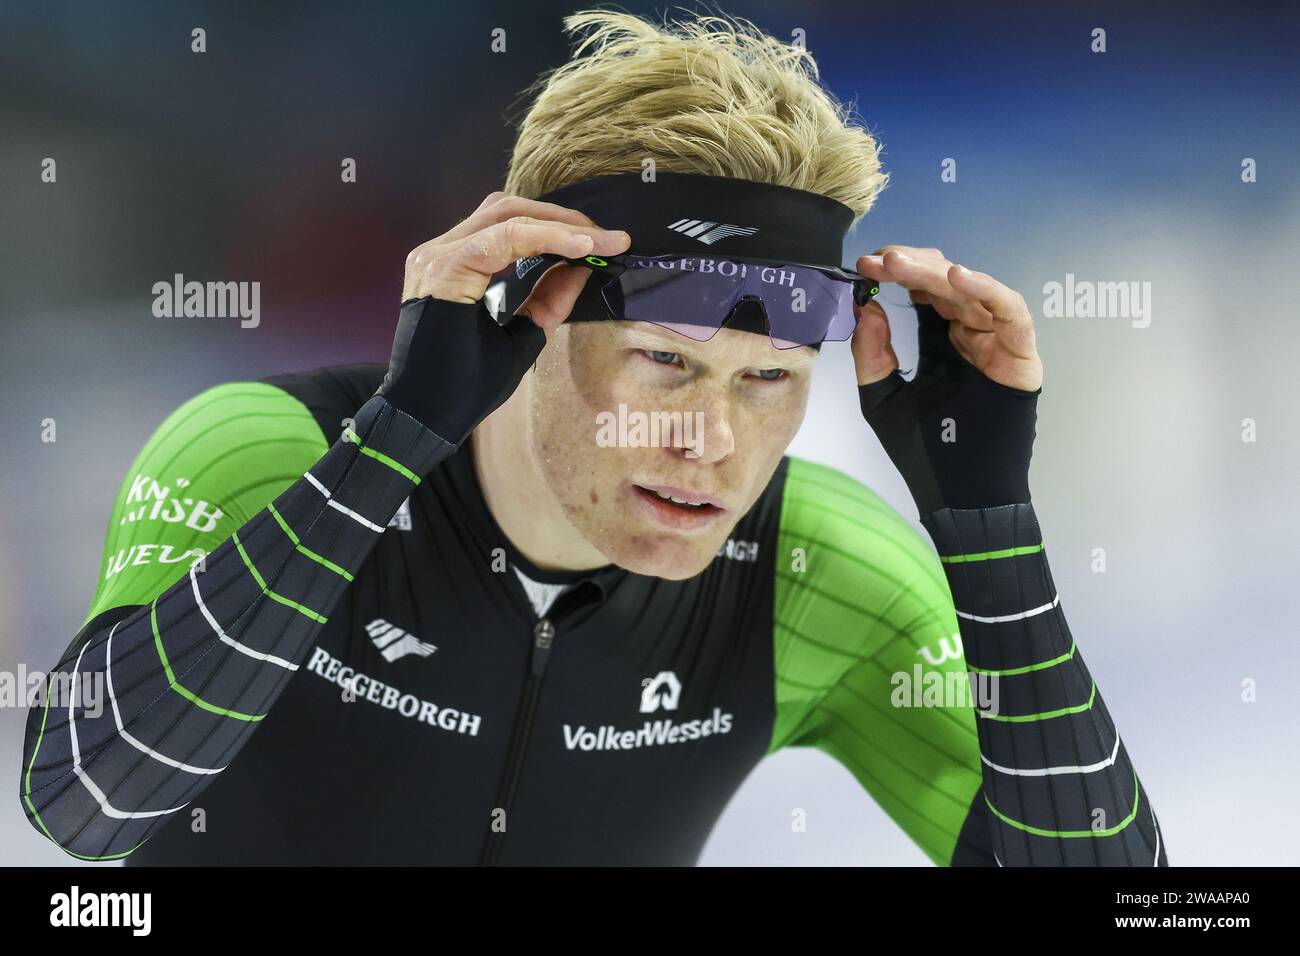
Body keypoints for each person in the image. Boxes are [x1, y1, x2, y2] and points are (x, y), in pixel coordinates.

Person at [19, 9, 1166, 866]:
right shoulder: (270, 454)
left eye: (770, 378)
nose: (711, 440)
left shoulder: (817, 569)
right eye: (664, 359)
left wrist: (987, 528)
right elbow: (79, 807)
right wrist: (388, 450)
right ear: (528, 308)